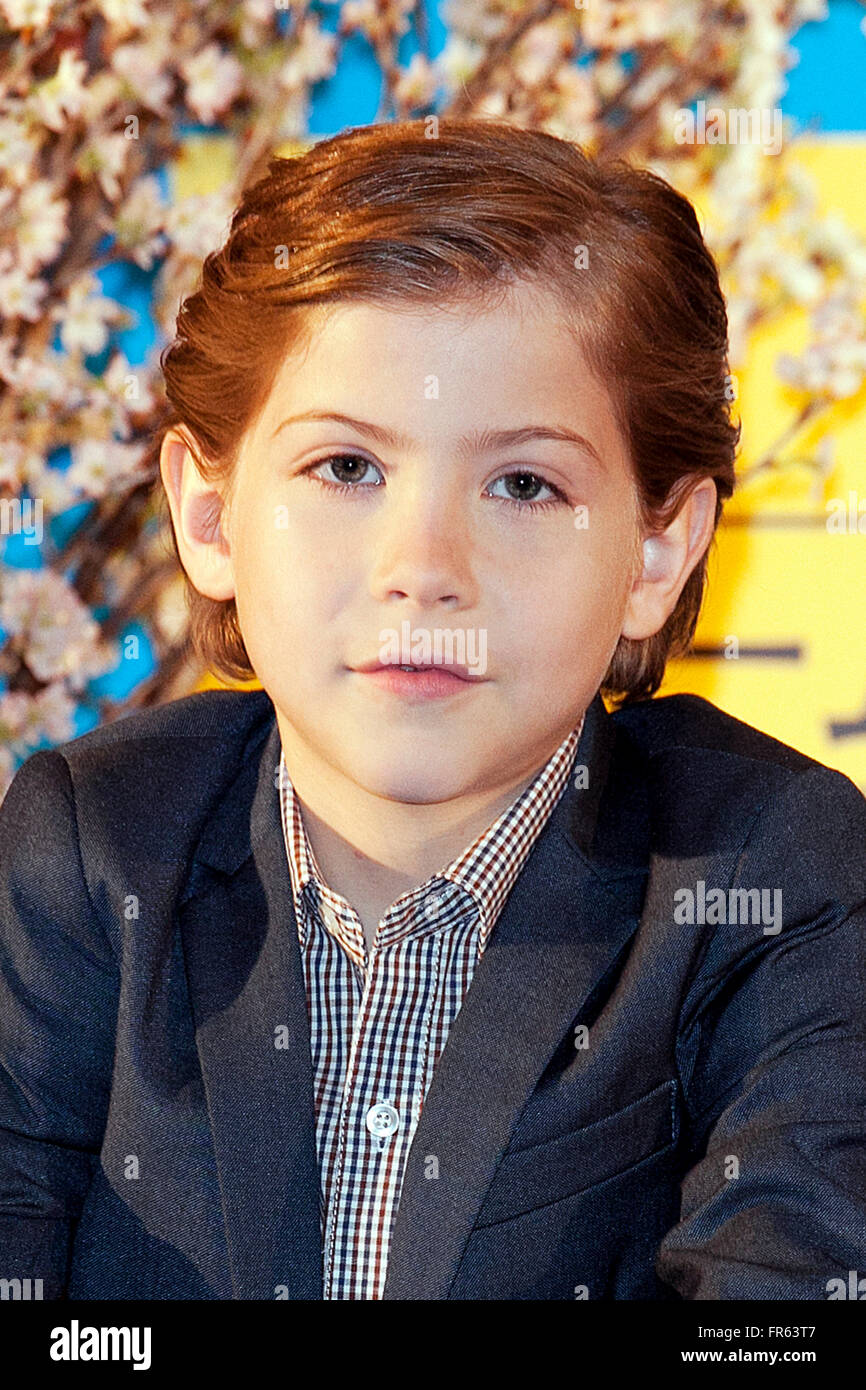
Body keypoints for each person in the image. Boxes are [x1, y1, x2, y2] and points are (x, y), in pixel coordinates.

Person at [1, 118, 864, 1302]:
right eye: (346, 467)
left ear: (655, 548)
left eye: (522, 483)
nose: (424, 565)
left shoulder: (770, 870)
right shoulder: (90, 845)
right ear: (209, 518)